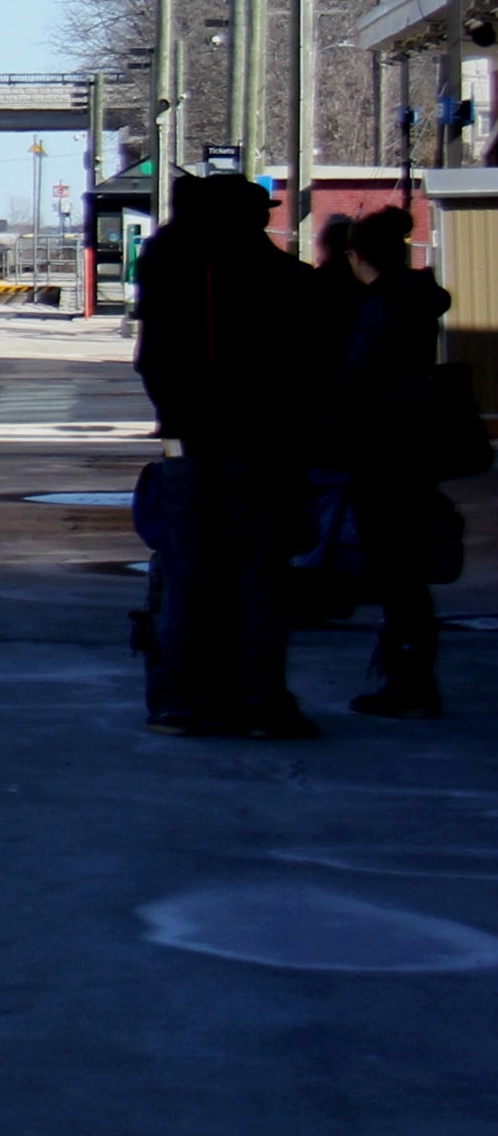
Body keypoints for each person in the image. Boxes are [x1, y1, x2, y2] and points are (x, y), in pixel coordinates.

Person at [132, 174, 325, 738]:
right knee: (259, 574)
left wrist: (174, 421)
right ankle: (260, 701)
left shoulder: (168, 268)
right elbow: (311, 371)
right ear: (254, 218)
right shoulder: (288, 280)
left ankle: (182, 701)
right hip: (261, 446)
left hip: (186, 444)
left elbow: (150, 361)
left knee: (187, 570)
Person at [330, 206, 454, 718]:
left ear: (360, 256)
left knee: (394, 570)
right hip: (414, 444)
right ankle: (412, 673)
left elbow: (356, 377)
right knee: (407, 570)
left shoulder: (381, 307)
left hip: (382, 447)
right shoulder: (417, 299)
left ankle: (406, 680)